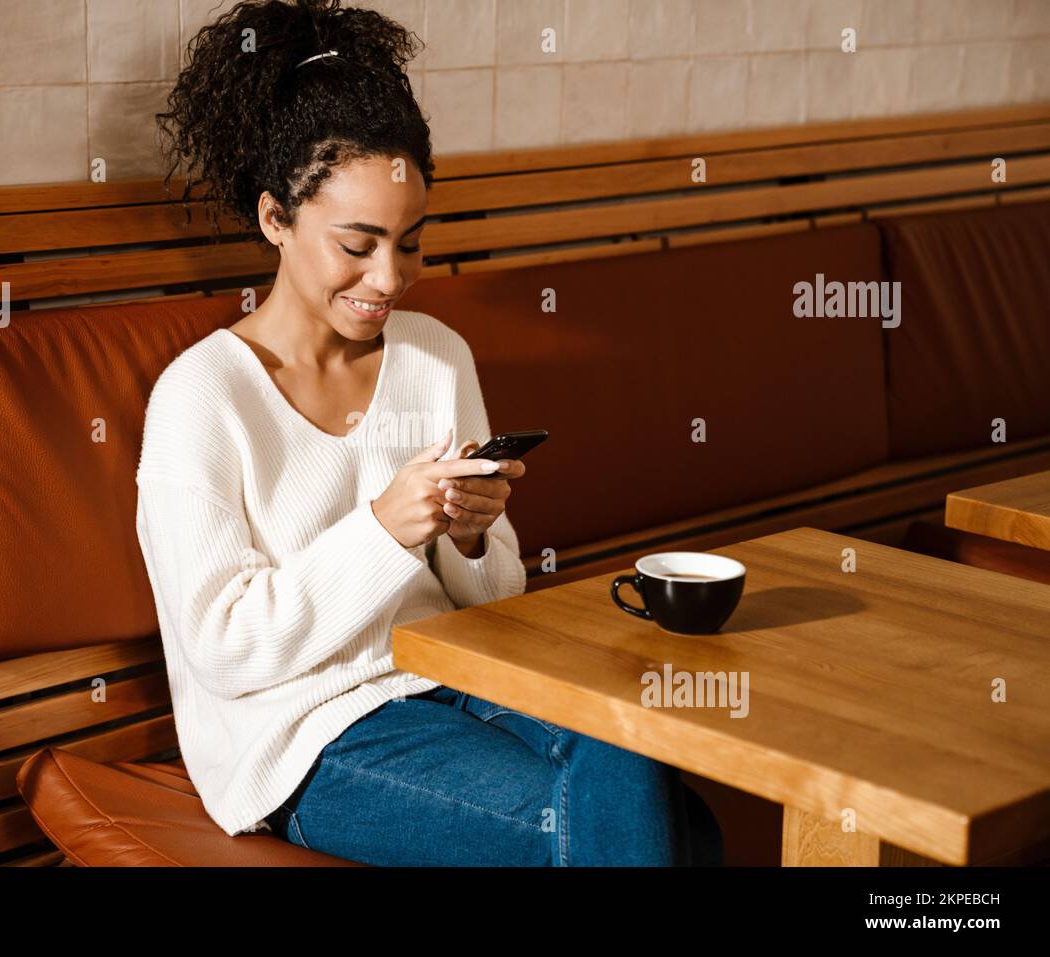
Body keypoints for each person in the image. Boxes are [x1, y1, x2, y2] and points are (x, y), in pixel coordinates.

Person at [138, 0, 723, 866]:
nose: (389, 278)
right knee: (630, 832)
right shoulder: (202, 397)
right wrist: (383, 528)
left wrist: (472, 530)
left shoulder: (435, 357)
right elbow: (227, 650)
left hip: (457, 677)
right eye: (357, 243)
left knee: (647, 765)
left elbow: (492, 604)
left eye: (410, 243)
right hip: (311, 734)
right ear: (274, 218)